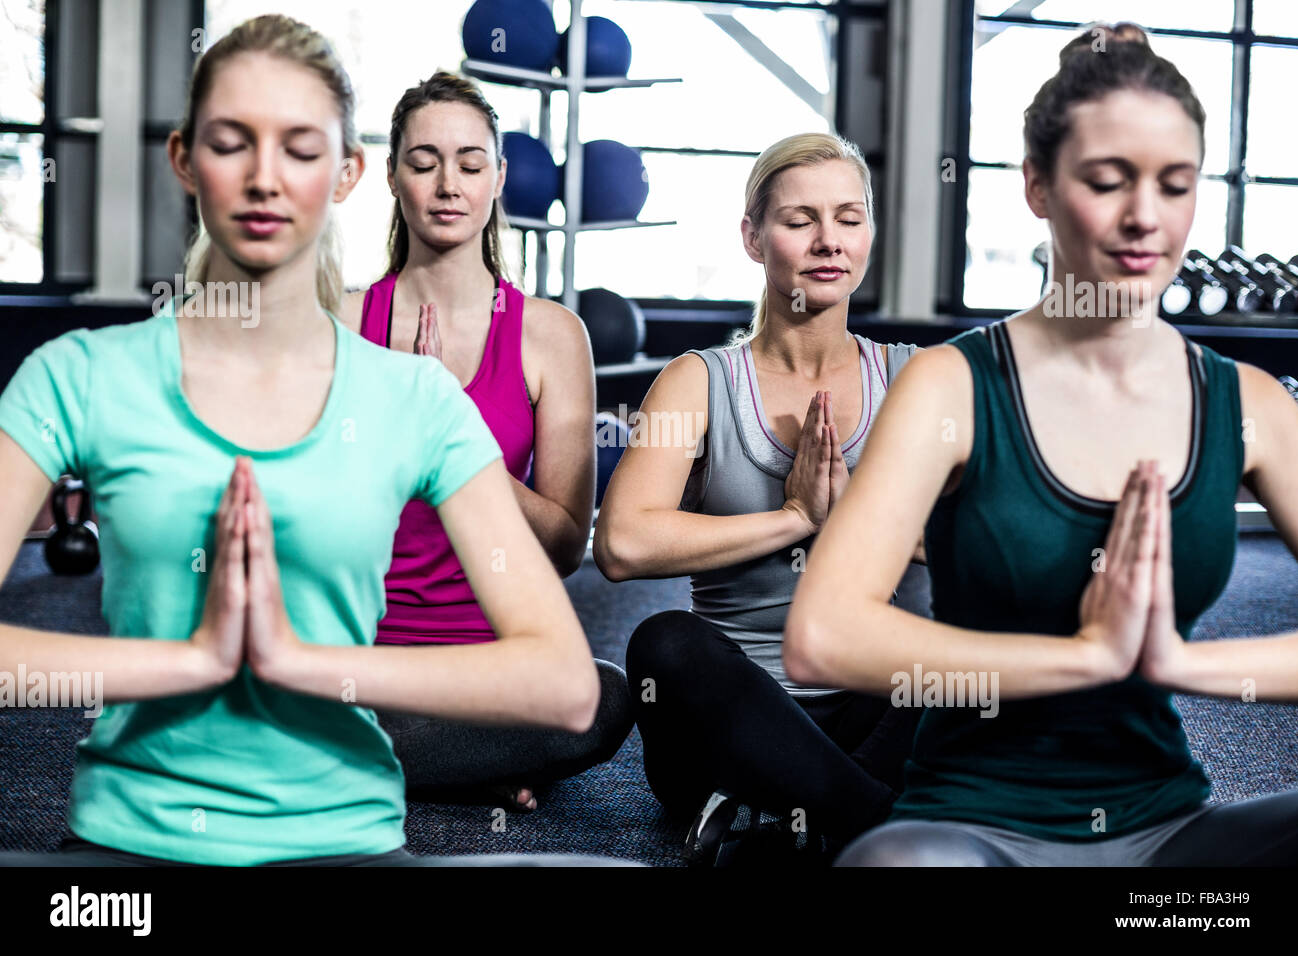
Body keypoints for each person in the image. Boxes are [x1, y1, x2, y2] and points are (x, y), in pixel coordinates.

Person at [0, 14, 612, 867]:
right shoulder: (74, 375)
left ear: (346, 171)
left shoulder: (416, 396)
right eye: (230, 142)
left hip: (345, 835)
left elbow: (567, 684)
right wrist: (190, 662)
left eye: (298, 146)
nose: (263, 178)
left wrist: (297, 662)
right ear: (184, 159)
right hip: (130, 842)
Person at [785, 23, 1298, 867]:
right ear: (1037, 185)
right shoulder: (954, 386)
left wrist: (1173, 662)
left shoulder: (1246, 402)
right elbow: (826, 634)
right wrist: (1085, 657)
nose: (1145, 217)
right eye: (1108, 181)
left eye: (1175, 185)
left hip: (1170, 846)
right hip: (977, 833)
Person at [593, 132, 925, 865]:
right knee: (663, 644)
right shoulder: (698, 380)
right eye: (799, 219)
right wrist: (794, 518)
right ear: (753, 236)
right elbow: (620, 545)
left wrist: (851, 518)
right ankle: (874, 826)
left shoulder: (919, 378)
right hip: (725, 719)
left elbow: (983, 544)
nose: (827, 240)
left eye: (848, 216)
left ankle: (786, 823)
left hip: (872, 708)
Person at [337, 72, 631, 814]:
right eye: (424, 160)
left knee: (604, 700)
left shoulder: (552, 335)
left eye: (471, 164)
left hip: (491, 663)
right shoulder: (339, 322)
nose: (448, 184)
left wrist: (451, 428)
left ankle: (379, 759)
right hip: (359, 657)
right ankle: (456, 762)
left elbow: (566, 544)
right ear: (394, 176)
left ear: (499, 178)